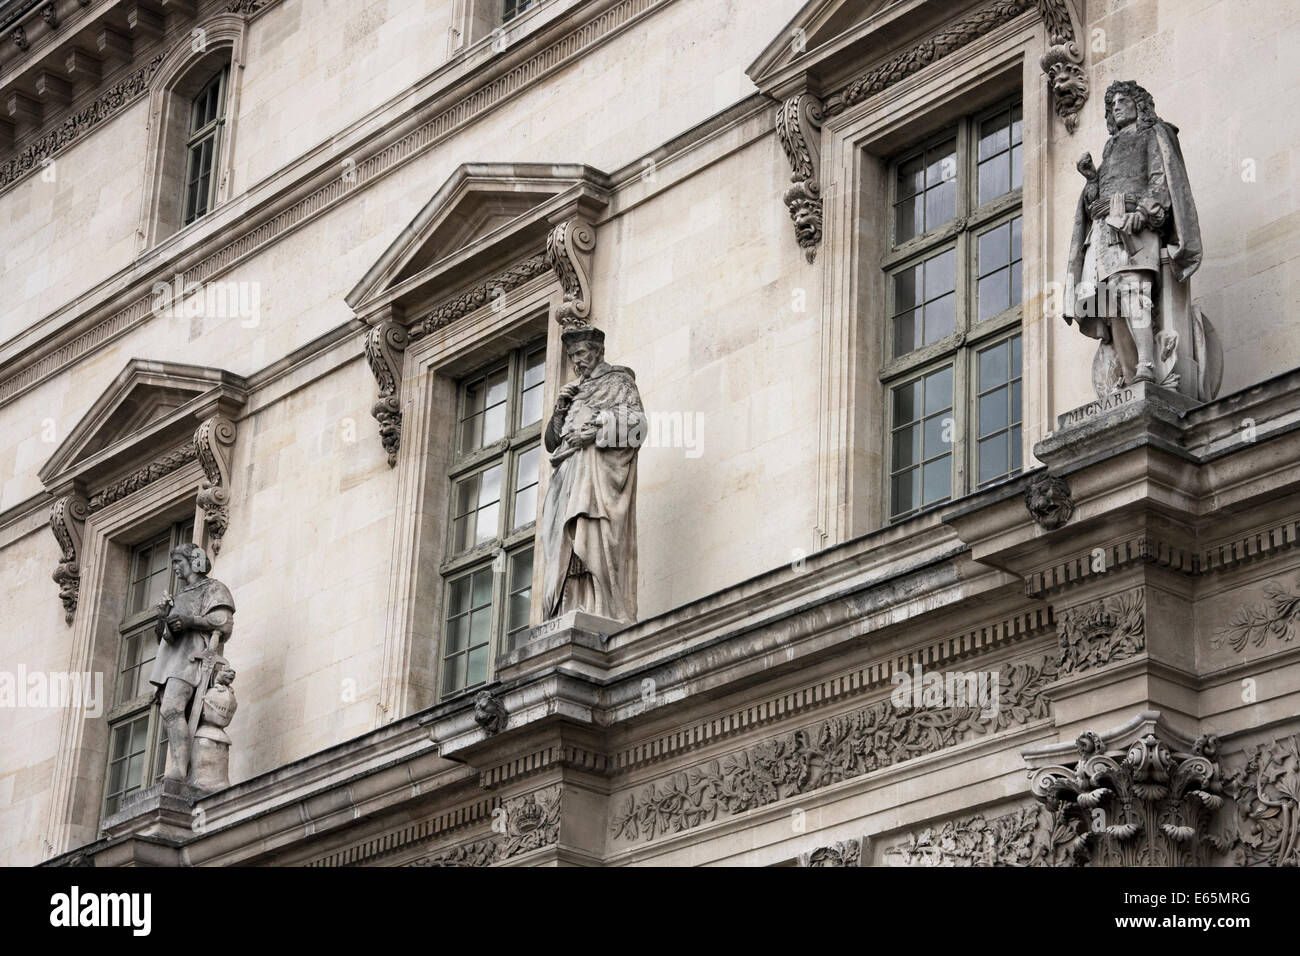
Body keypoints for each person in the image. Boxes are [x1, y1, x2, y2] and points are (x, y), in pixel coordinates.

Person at [1065, 80, 1202, 386]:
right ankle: (1129, 374)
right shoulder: (1111, 146)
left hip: (1133, 221)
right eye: (1111, 104)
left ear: (1138, 104)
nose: (1115, 107)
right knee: (1108, 301)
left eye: (1122, 100)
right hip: (1103, 226)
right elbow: (1093, 200)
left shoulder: (1154, 133)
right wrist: (1091, 179)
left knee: (1132, 291)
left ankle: (1148, 363)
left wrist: (1143, 214)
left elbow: (1161, 177)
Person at [541, 326, 644, 623]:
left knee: (588, 536)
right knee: (564, 543)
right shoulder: (573, 392)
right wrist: (560, 407)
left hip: (594, 475)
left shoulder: (619, 382)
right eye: (572, 356)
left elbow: (638, 426)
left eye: (582, 353)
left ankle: (600, 608)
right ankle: (568, 608)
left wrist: (593, 434)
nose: (577, 361)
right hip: (567, 475)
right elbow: (551, 444)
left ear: (598, 352)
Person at [149, 543, 234, 781]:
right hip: (171, 662)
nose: (174, 568)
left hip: (192, 659)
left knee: (171, 709)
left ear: (194, 560)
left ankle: (178, 768)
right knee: (172, 712)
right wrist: (163, 616)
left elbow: (223, 621)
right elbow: (163, 638)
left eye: (178, 562)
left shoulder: (214, 588)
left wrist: (190, 621)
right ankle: (178, 768)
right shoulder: (179, 596)